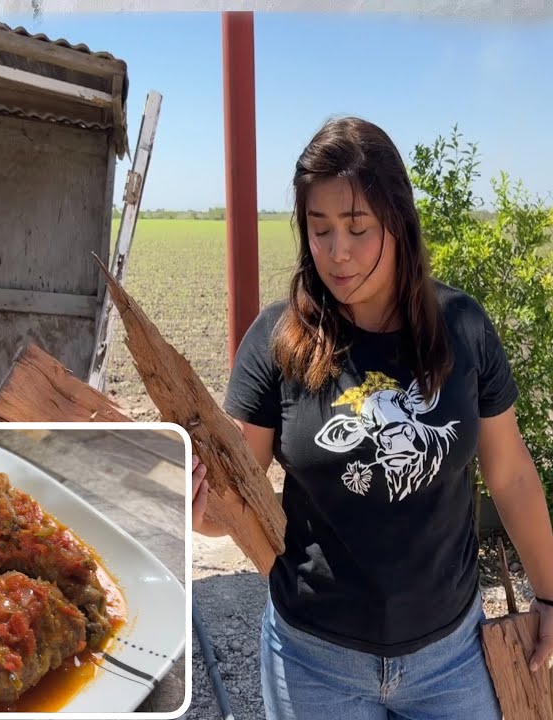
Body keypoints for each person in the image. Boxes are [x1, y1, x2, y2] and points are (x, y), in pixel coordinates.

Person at [190, 116, 553, 719]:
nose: (338, 252)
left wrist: (550, 595)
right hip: (312, 664)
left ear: (398, 221)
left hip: (453, 658)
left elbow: (511, 473)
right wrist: (197, 508)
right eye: (320, 228)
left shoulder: (462, 328)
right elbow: (234, 499)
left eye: (358, 227)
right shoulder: (277, 340)